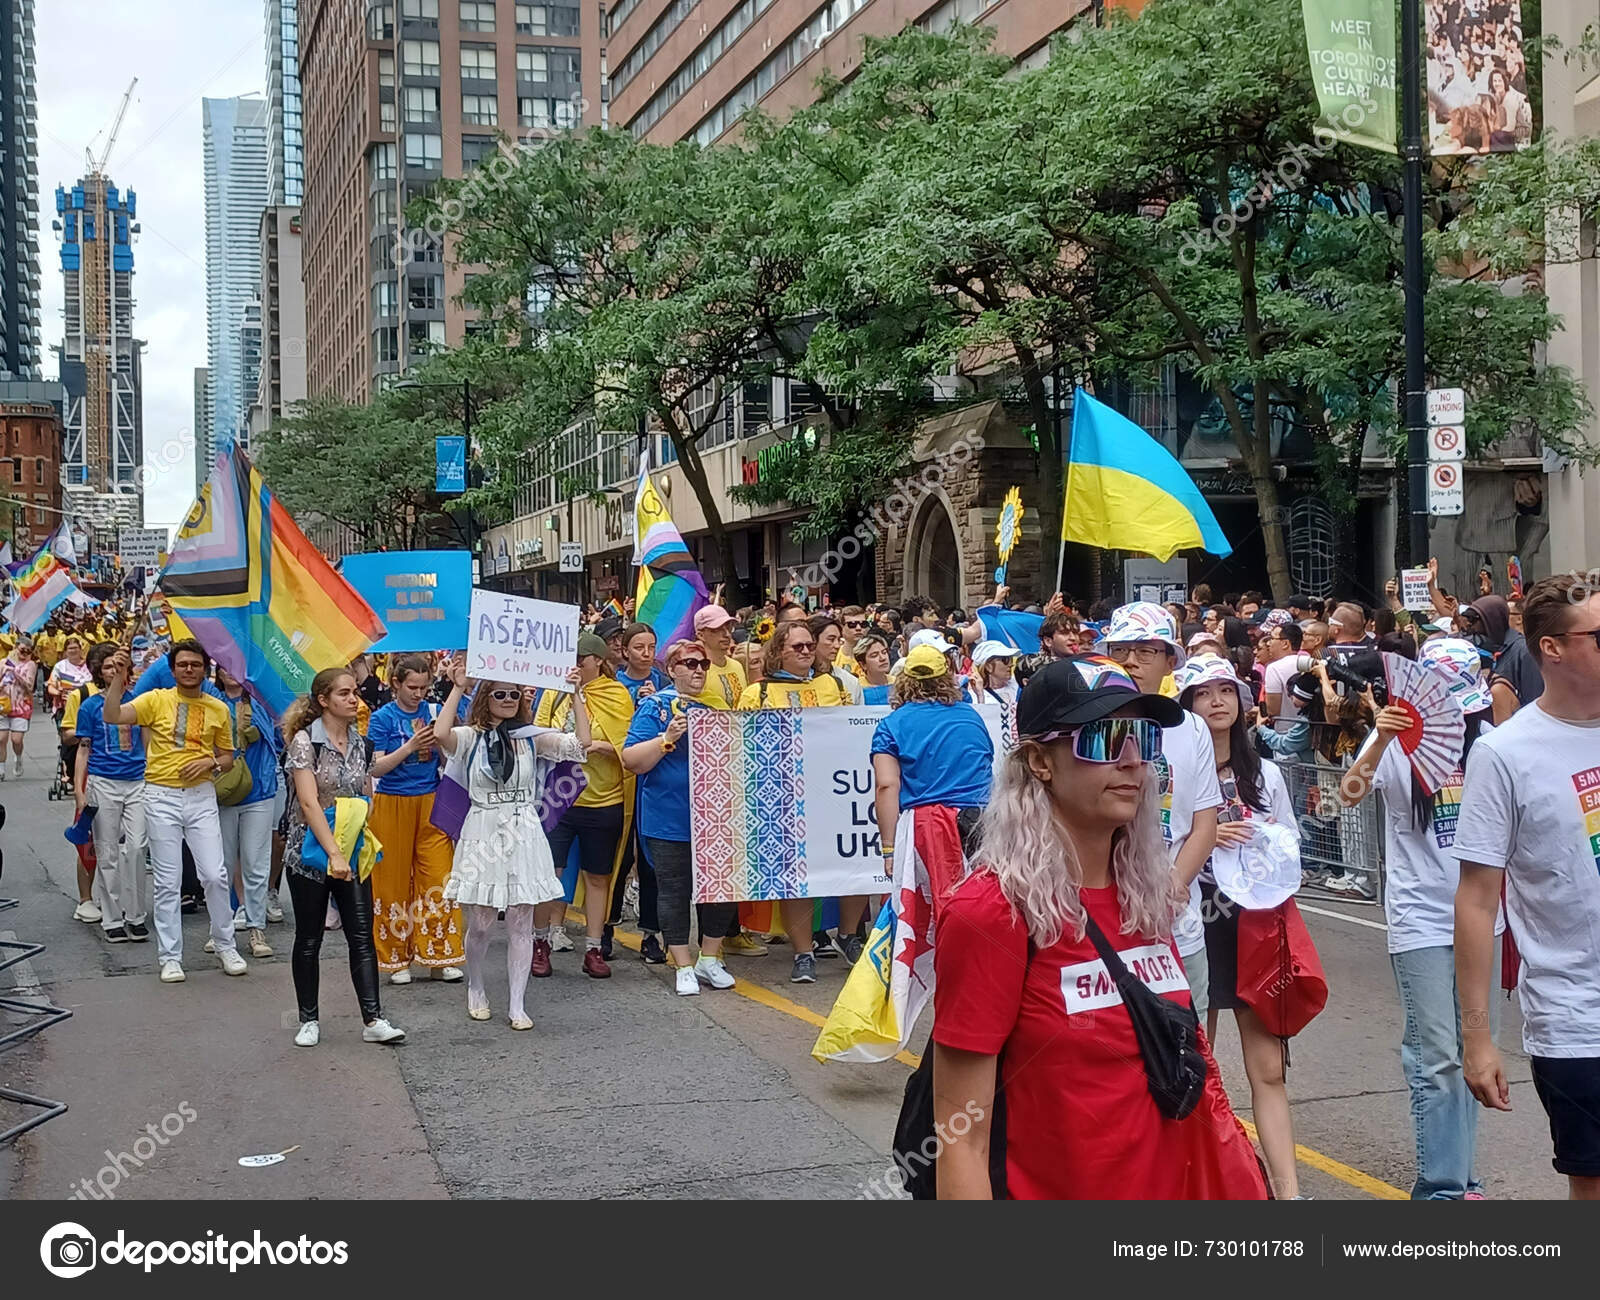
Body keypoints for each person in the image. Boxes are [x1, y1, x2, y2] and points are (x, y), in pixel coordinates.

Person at [931, 655, 1267, 1200]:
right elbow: (960, 1139)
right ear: (1040, 761)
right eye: (1106, 738)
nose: (1133, 761)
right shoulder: (992, 912)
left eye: (1143, 738)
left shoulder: (1148, 898)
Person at [1455, 573, 1600, 1200]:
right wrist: (1478, 1036)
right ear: (1553, 649)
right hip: (1577, 1019)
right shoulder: (1505, 754)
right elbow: (1477, 898)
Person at [1339, 637, 1499, 1199]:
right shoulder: (1397, 747)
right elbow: (1347, 795)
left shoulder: (1493, 747)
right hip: (1421, 920)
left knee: (1474, 1053)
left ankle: (1463, 1178)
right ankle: (1442, 1189)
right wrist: (1381, 737)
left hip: (1482, 922)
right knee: (1438, 1058)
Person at [1175, 653, 1302, 1199]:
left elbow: (1292, 850)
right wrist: (1205, 838)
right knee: (1193, 1064)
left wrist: (1263, 838)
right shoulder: (1170, 773)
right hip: (1192, 921)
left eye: (1226, 690)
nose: (1217, 701)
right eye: (1203, 693)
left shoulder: (1266, 774)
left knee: (1268, 1070)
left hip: (1254, 926)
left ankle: (1289, 1194)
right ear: (1187, 706)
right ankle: (1199, 1186)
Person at [435, 656, 590, 1030]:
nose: (508, 699)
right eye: (500, 693)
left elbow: (580, 743)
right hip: (483, 826)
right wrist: (457, 686)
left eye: (514, 694)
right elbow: (441, 736)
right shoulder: (470, 737)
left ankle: (517, 1004)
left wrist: (576, 692)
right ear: (486, 697)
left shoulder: (532, 738)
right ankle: (476, 986)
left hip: (523, 827)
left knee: (521, 920)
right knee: (483, 922)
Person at [1097, 603, 1221, 1016]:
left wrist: (1172, 887)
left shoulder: (1192, 727)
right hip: (1103, 926)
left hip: (1178, 925)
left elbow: (1204, 822)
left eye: (1146, 651)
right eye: (1121, 650)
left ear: (1170, 662)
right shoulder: (1086, 724)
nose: (1131, 661)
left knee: (1193, 1052)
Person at [100, 640, 244, 983]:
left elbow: (228, 755)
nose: (189, 669)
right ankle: (170, 956)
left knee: (214, 874)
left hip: (202, 796)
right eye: (183, 664)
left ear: (205, 668)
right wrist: (118, 680)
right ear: (173, 668)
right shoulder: (155, 699)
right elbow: (112, 715)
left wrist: (210, 761)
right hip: (160, 796)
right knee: (168, 881)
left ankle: (226, 944)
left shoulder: (218, 708)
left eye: (195, 664)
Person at [280, 667, 406, 1048]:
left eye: (355, 692)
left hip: (350, 852)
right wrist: (332, 852)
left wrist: (411, 747)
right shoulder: (305, 742)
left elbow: (365, 791)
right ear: (324, 700)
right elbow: (307, 802)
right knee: (309, 937)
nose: (354, 699)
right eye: (345, 693)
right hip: (309, 853)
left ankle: (373, 1018)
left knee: (361, 935)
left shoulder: (360, 743)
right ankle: (308, 1019)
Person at [622, 639, 740, 996]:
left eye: (703, 663)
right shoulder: (655, 708)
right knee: (674, 890)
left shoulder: (719, 706)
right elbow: (631, 759)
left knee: (721, 888)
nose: (698, 670)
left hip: (718, 817)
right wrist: (667, 738)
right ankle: (682, 963)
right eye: (689, 663)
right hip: (668, 817)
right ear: (672, 670)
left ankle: (709, 957)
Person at [736, 620, 845, 979]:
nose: (805, 651)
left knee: (848, 865)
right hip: (782, 798)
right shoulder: (757, 694)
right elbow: (742, 743)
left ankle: (846, 934)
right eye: (797, 646)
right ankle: (803, 953)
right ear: (779, 650)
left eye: (809, 645)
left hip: (832, 792)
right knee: (794, 876)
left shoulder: (832, 684)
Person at [871, 643, 994, 944]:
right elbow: (986, 761)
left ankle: (944, 982)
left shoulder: (891, 725)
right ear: (946, 677)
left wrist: (889, 851)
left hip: (929, 825)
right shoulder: (971, 715)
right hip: (982, 818)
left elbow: (887, 786)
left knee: (933, 917)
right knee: (987, 905)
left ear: (904, 680)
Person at [536, 632, 637, 978]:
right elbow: (539, 735)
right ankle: (541, 943)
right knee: (549, 874)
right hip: (558, 797)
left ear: (597, 660)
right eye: (571, 657)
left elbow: (625, 746)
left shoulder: (616, 693)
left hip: (603, 799)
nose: (575, 664)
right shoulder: (553, 691)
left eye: (581, 658)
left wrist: (598, 747)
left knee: (598, 876)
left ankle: (594, 948)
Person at [365, 653, 465, 986]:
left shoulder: (435, 712)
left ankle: (440, 954)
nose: (418, 694)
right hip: (392, 802)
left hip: (432, 800)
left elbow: (453, 754)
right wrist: (409, 747)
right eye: (411, 687)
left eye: (423, 687)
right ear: (395, 684)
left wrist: (439, 742)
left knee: (438, 876)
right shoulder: (381, 719)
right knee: (391, 881)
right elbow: (376, 768)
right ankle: (395, 958)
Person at [72, 642, 149, 944]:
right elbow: (83, 750)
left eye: (118, 667)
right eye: (107, 667)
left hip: (138, 782)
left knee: (138, 847)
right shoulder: (89, 706)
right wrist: (80, 791)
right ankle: (112, 917)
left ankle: (137, 915)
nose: (113, 672)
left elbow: (148, 742)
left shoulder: (139, 704)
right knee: (106, 851)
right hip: (103, 782)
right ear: (98, 672)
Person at [212, 666, 279, 960]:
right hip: (222, 791)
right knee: (220, 865)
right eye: (223, 665)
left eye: (235, 666)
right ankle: (220, 929)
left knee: (256, 862)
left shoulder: (263, 702)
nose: (229, 672)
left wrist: (254, 727)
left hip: (259, 790)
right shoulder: (210, 701)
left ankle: (256, 928)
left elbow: (279, 738)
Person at [693, 605, 747, 709]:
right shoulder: (697, 671)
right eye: (717, 629)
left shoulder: (737, 666)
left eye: (728, 627)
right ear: (701, 635)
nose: (726, 634)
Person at [0, 639, 37, 778]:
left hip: (21, 706)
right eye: (22, 650)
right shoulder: (3, 662)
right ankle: (1, 769)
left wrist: (16, 673)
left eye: (28, 651)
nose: (25, 653)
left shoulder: (30, 665)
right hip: (3, 705)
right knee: (1, 739)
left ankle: (18, 757)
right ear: (16, 648)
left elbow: (29, 687)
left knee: (16, 739)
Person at [810, 613, 863, 704]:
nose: (837, 646)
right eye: (831, 639)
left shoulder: (850, 681)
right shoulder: (798, 680)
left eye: (838, 640)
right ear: (813, 640)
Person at [616, 623, 667, 702]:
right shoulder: (614, 683)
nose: (646, 653)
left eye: (651, 647)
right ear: (625, 651)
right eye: (639, 647)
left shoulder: (664, 682)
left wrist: (656, 699)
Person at [966, 640, 1019, 707]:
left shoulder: (1018, 684)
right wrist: (980, 696)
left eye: (1011, 659)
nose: (1011, 664)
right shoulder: (974, 697)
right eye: (1005, 660)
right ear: (989, 667)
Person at [855, 632, 894, 705]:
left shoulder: (898, 683)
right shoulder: (856, 688)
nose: (882, 658)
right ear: (863, 665)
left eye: (884, 652)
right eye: (874, 655)